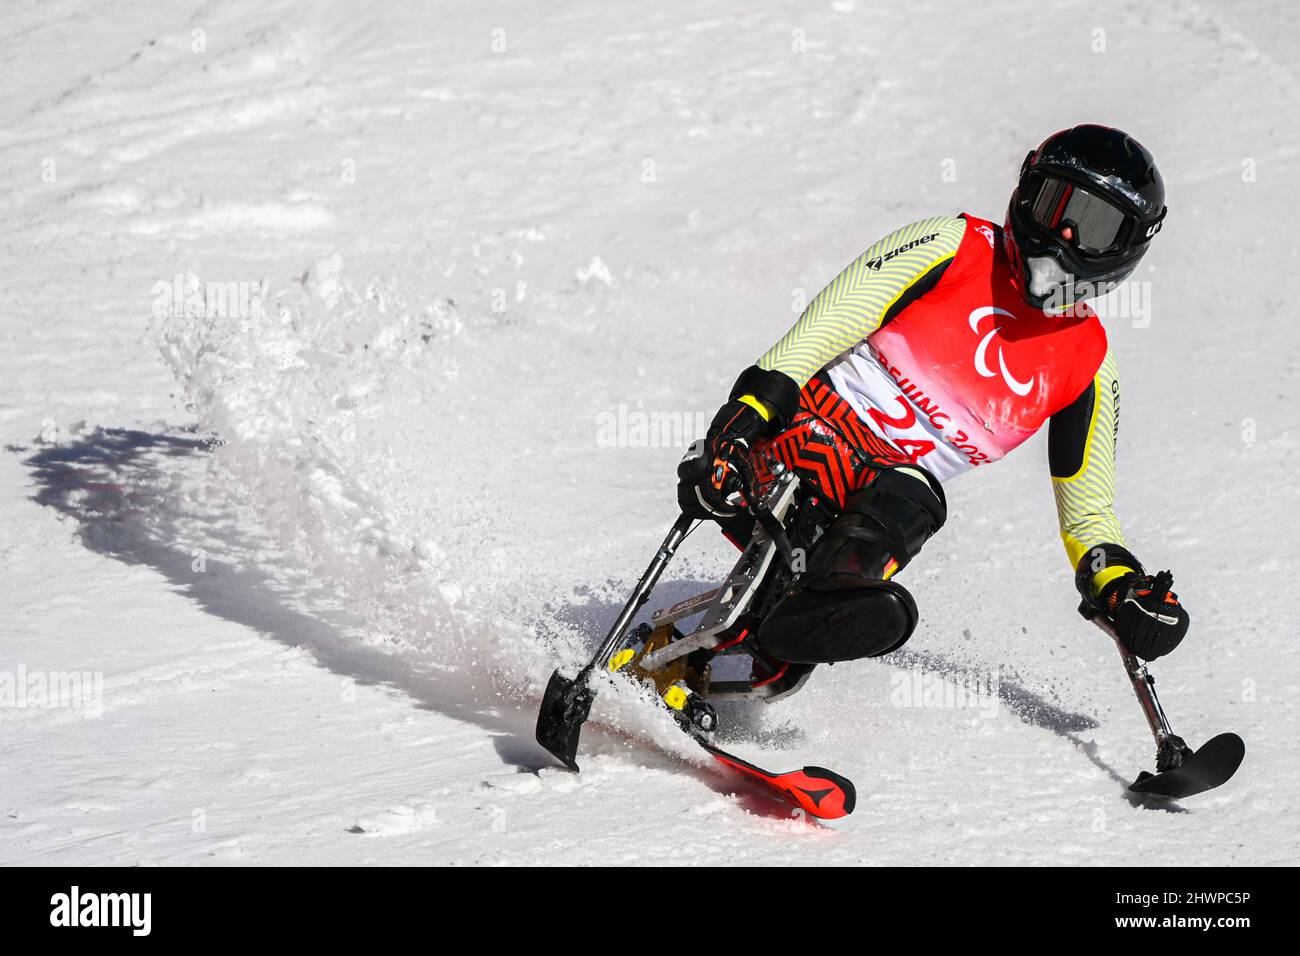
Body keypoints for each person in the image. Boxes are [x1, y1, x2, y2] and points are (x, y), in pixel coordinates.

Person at [677, 124, 1189, 668]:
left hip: (870, 517)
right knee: (910, 491)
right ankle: (818, 612)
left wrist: (1122, 588)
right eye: (1056, 205)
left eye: (1095, 225)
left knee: (915, 490)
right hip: (787, 445)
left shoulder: (1087, 363)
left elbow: (1088, 519)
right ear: (1026, 189)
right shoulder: (955, 246)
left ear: (1125, 250)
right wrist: (741, 422)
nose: (1063, 234)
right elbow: (815, 335)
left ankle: (816, 619)